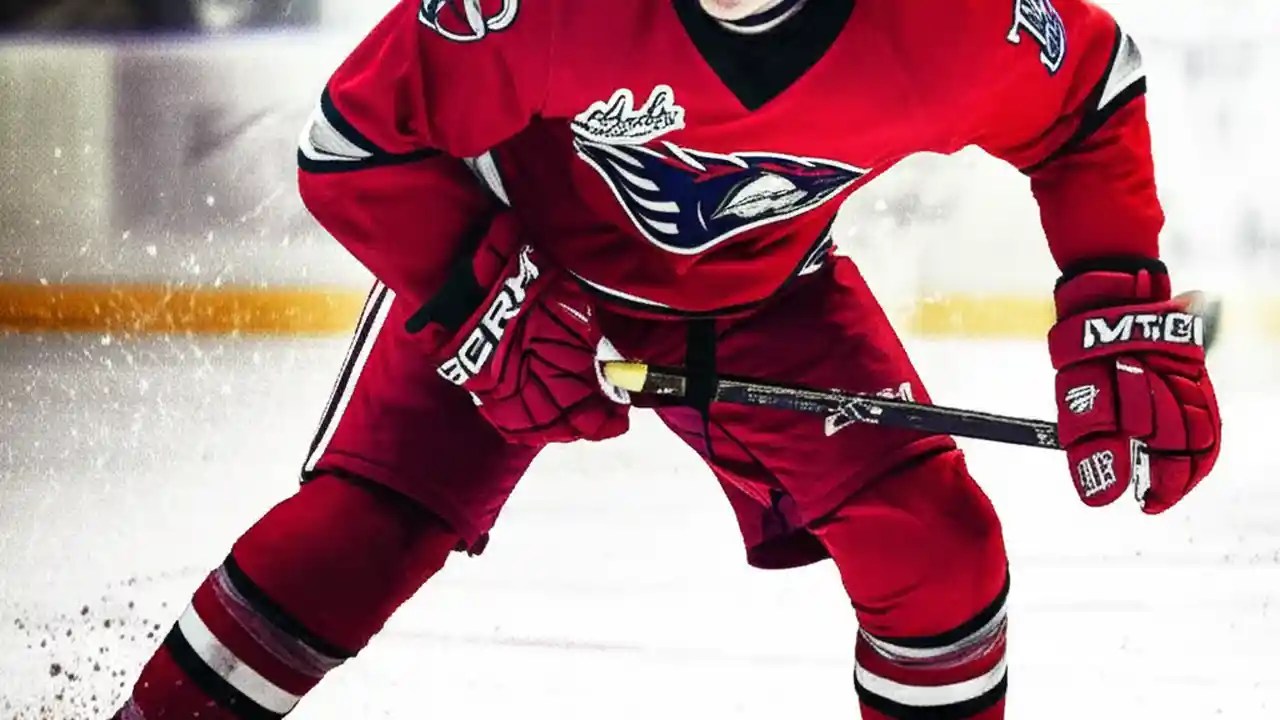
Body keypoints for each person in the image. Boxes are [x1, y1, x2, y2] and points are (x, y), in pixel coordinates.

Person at [112, 0, 1222, 717]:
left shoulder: (946, 22)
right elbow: (355, 145)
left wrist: (1116, 297)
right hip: (524, 253)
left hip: (768, 291)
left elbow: (1088, 98)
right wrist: (479, 289)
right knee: (359, 535)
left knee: (938, 549)